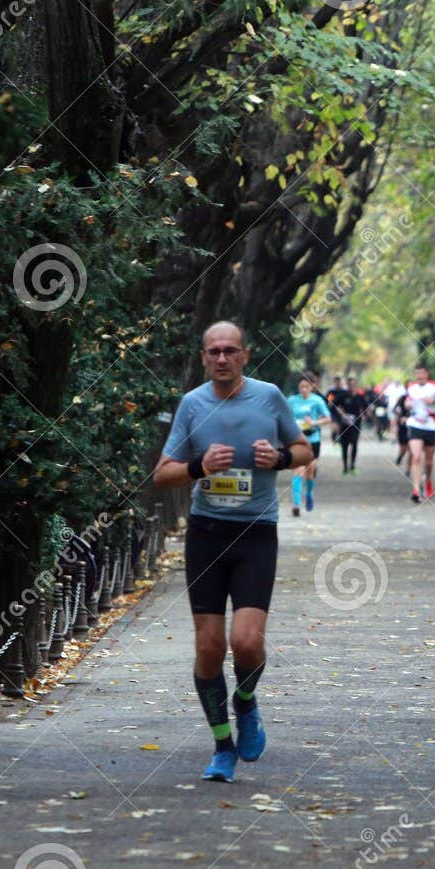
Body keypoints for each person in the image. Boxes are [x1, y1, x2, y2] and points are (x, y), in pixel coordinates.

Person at [154, 322, 313, 782]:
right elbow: (162, 474)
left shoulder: (268, 398)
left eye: (230, 351)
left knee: (245, 642)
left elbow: (303, 449)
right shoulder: (193, 404)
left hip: (256, 533)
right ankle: (223, 746)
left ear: (245, 355)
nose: (222, 359)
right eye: (213, 352)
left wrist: (280, 459)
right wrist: (199, 467)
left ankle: (246, 701)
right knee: (208, 648)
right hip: (207, 534)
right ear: (204, 358)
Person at [286, 374, 333, 515]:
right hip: (297, 440)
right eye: (301, 387)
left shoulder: (317, 400)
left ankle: (309, 493)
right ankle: (296, 504)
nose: (304, 389)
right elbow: (285, 417)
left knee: (310, 471)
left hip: (313, 439)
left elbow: (328, 418)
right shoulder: (292, 401)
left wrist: (313, 423)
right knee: (298, 470)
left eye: (306, 386)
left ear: (312, 387)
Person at [403, 365, 435, 501]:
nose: (419, 376)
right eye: (417, 374)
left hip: (431, 424)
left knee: (429, 462)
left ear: (427, 374)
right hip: (415, 423)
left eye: (421, 373)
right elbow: (407, 401)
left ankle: (428, 480)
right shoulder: (411, 387)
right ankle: (416, 489)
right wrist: (407, 403)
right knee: (417, 456)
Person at [333, 374, 371, 474]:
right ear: (347, 385)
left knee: (354, 444)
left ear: (356, 385)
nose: (352, 386)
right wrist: (340, 413)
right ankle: (345, 467)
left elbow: (366, 408)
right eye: (350, 384)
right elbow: (333, 405)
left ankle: (352, 466)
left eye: (353, 384)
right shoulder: (342, 395)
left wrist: (365, 415)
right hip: (344, 424)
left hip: (356, 424)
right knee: (344, 445)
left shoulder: (360, 397)